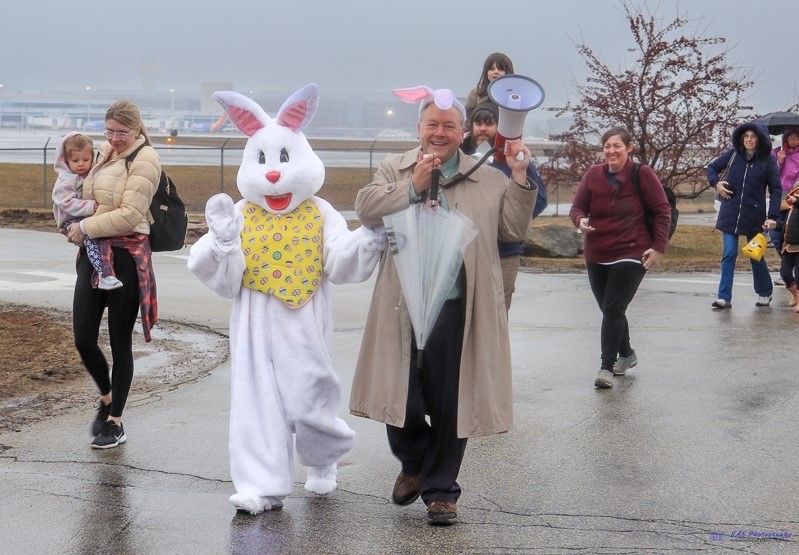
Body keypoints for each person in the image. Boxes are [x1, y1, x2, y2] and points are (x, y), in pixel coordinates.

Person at [349, 86, 537, 526]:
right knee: (404, 396)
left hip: (459, 307)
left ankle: (440, 491)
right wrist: (410, 188)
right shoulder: (394, 168)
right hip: (404, 305)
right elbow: (366, 210)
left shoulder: (488, 176)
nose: (439, 132)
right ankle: (413, 461)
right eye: (431, 124)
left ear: (462, 131)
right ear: (419, 129)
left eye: (449, 125)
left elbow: (512, 228)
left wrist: (522, 177)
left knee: (454, 401)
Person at [65, 100, 160, 449]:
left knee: (120, 340)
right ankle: (105, 398)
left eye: (122, 132)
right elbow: (85, 192)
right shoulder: (104, 151)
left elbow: (129, 212)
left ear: (136, 130)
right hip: (92, 253)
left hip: (126, 257)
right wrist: (72, 220)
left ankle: (116, 422)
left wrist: (86, 226)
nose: (115, 138)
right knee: (83, 338)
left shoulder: (146, 159)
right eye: (109, 131)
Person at [569, 127, 671, 389]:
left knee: (614, 307)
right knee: (610, 309)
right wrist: (580, 221)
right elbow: (577, 207)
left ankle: (606, 367)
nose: (611, 151)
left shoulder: (642, 174)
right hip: (597, 252)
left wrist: (659, 246)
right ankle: (627, 354)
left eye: (617, 146)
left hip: (631, 251)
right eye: (607, 146)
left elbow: (661, 210)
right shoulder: (593, 174)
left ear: (629, 148)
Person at [460, 101, 548, 311]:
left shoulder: (511, 159)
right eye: (478, 123)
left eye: (489, 123)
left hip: (504, 253)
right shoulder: (460, 157)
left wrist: (513, 218)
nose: (482, 128)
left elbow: (539, 198)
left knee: (497, 315)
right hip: (464, 252)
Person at [707, 121, 781, 309]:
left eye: (753, 136)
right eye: (746, 136)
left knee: (754, 254)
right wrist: (716, 183)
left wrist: (772, 216)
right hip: (730, 211)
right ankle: (724, 297)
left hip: (754, 214)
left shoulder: (768, 160)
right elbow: (712, 168)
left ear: (760, 139)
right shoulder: (733, 155)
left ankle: (765, 292)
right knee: (729, 253)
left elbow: (775, 189)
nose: (749, 140)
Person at [52, 132, 123, 290]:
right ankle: (103, 274)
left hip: (83, 217)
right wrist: (89, 206)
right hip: (70, 219)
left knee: (100, 239)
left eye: (86, 160)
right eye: (75, 160)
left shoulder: (88, 175)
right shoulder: (66, 179)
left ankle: (107, 271)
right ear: (65, 160)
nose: (81, 164)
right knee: (91, 240)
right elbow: (65, 202)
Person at [770, 127, 799, 251]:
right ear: (785, 138)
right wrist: (780, 161)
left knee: (792, 227)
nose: (795, 141)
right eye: (792, 138)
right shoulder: (777, 152)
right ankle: (781, 252)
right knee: (776, 228)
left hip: (795, 193)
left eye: (797, 139)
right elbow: (771, 173)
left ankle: (792, 258)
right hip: (779, 193)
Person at [464, 52, 513, 125]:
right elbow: (467, 117)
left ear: (508, 72)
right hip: (480, 132)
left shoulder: (513, 94)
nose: (496, 72)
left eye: (500, 69)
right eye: (491, 69)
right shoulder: (477, 92)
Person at [776, 185, 799, 310]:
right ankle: (795, 294)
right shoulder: (790, 210)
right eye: (796, 192)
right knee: (785, 273)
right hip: (788, 246)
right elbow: (784, 226)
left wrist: (797, 201)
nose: (797, 195)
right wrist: (774, 225)